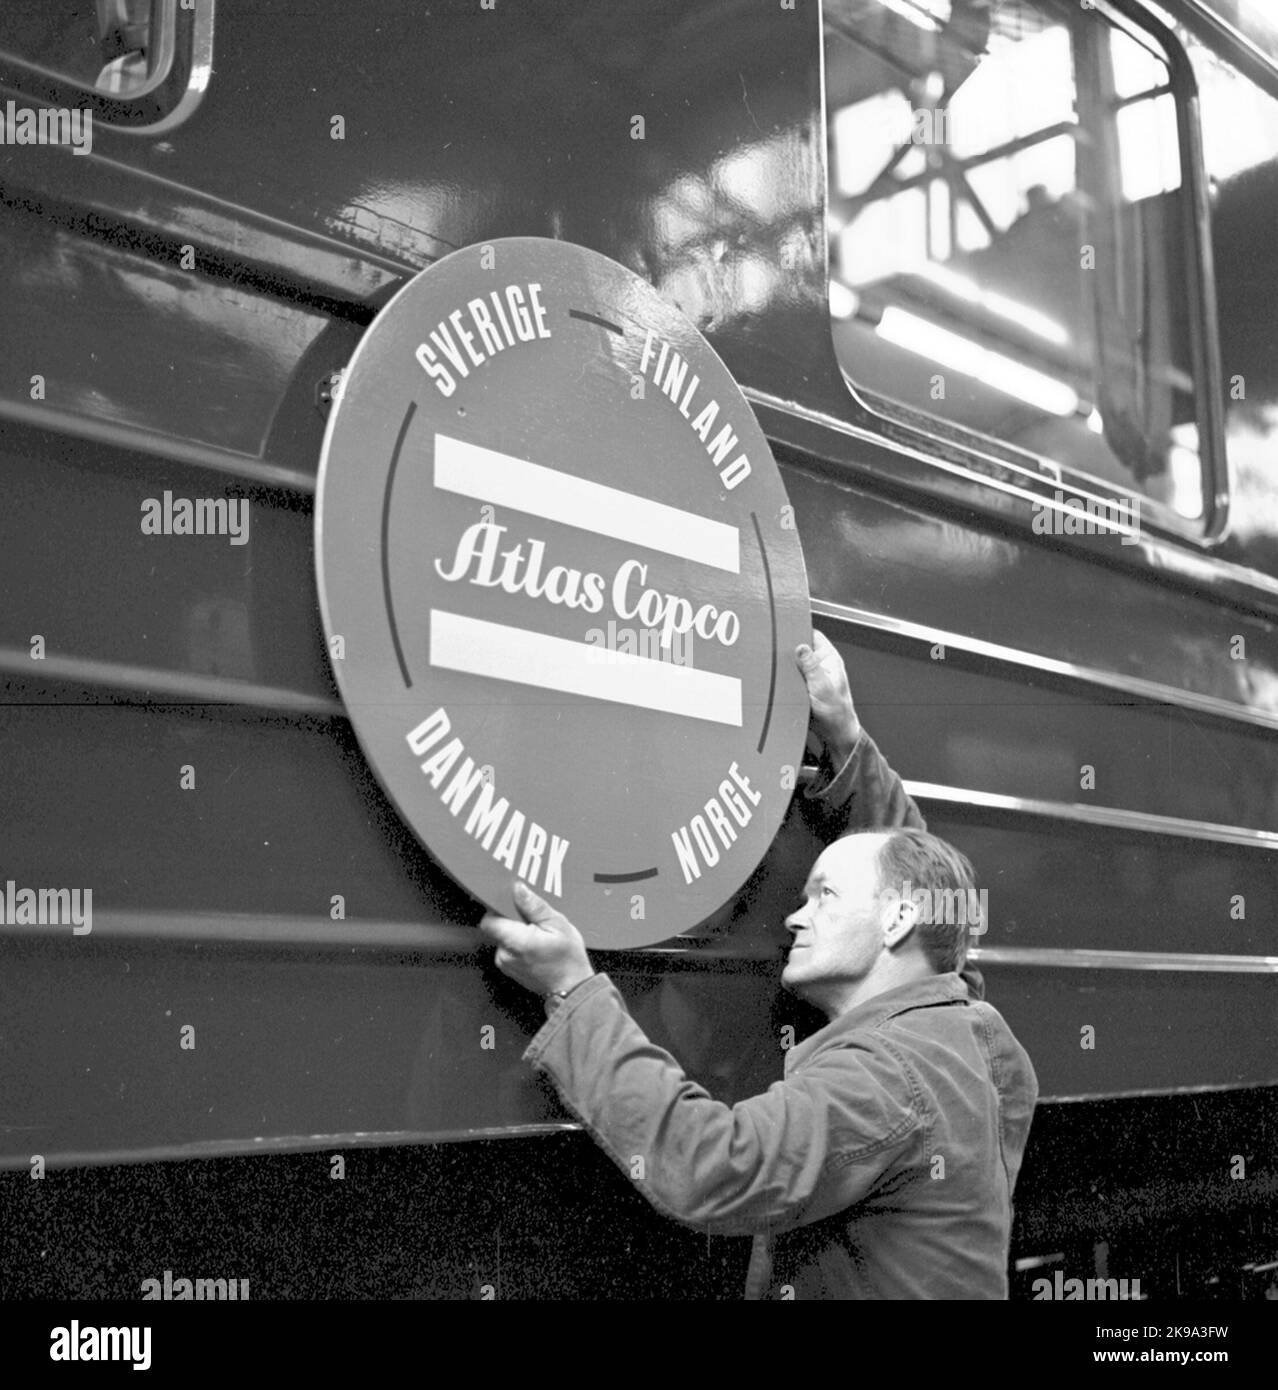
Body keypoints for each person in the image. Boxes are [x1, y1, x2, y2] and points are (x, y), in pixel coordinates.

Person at [479, 631, 1038, 1299]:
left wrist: (574, 992)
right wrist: (846, 739)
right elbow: (935, 913)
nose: (794, 918)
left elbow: (712, 1168)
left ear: (897, 920)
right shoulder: (966, 1032)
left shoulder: (884, 1078)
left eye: (823, 896)